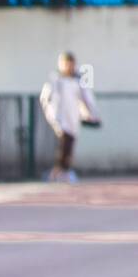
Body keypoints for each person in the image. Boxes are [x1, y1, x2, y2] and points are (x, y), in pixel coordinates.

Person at [40, 51, 100, 184]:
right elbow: (46, 98)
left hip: (73, 117)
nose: (69, 67)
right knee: (64, 144)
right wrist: (52, 115)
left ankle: (61, 171)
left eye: (71, 64)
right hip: (59, 117)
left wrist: (91, 115)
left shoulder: (78, 80)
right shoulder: (55, 80)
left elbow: (86, 99)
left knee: (69, 144)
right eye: (66, 64)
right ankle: (60, 172)